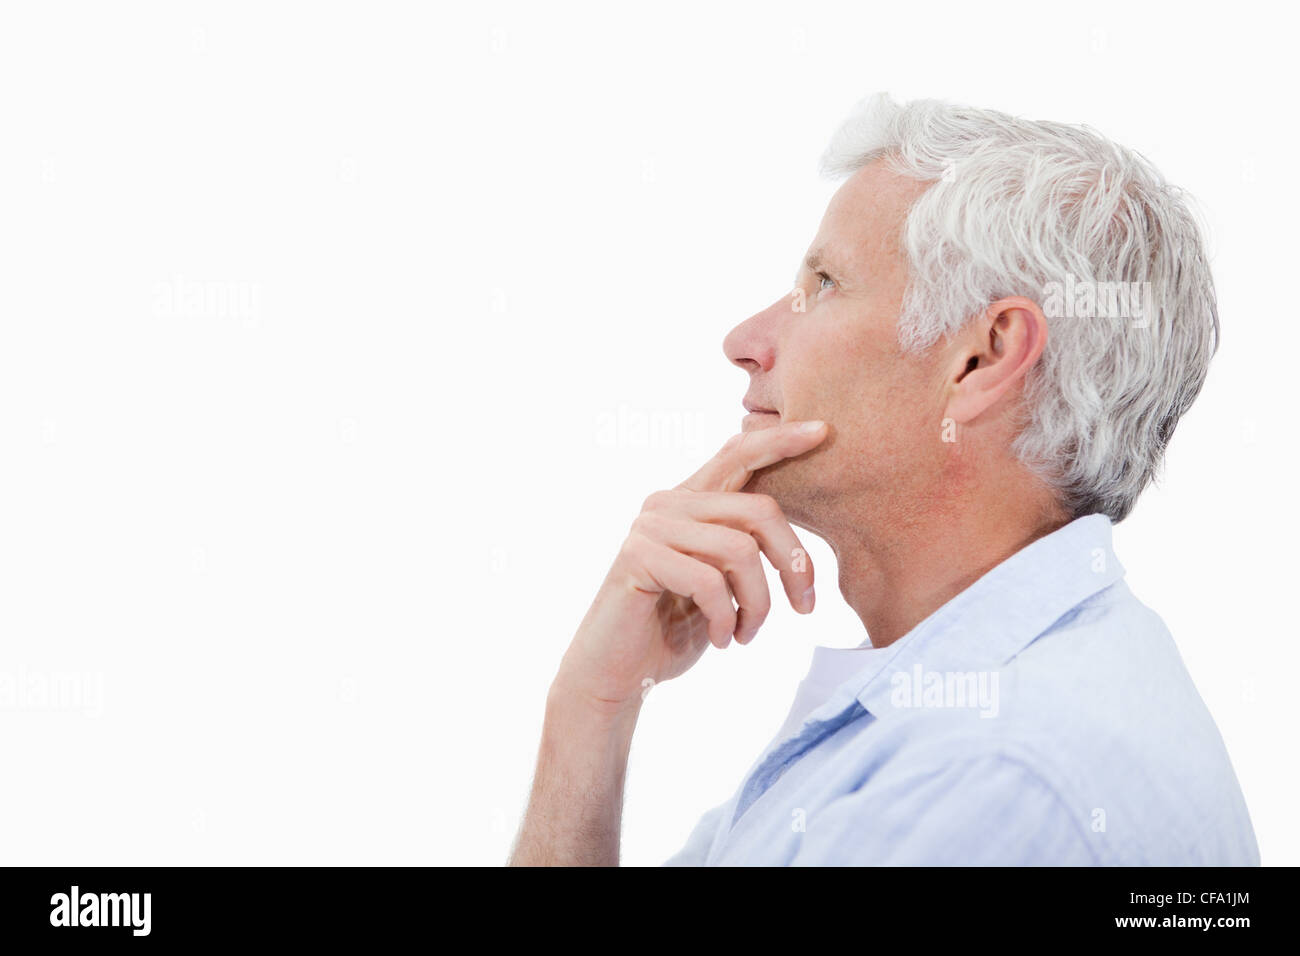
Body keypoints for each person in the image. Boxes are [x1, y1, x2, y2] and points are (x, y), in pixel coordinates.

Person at [508, 93, 1259, 866]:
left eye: (825, 284)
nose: (745, 342)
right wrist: (591, 711)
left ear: (983, 359)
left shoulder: (986, 781)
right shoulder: (956, 712)